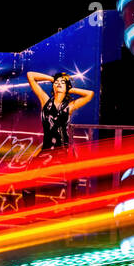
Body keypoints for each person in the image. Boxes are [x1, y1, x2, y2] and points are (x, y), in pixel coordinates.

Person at [25, 70, 95, 206]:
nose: (58, 84)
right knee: (27, 181)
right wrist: (53, 79)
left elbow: (89, 94)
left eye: (62, 83)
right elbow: (30, 75)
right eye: (56, 83)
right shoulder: (45, 100)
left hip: (64, 150)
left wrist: (69, 88)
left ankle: (72, 211)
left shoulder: (69, 106)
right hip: (47, 150)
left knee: (72, 182)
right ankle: (29, 215)